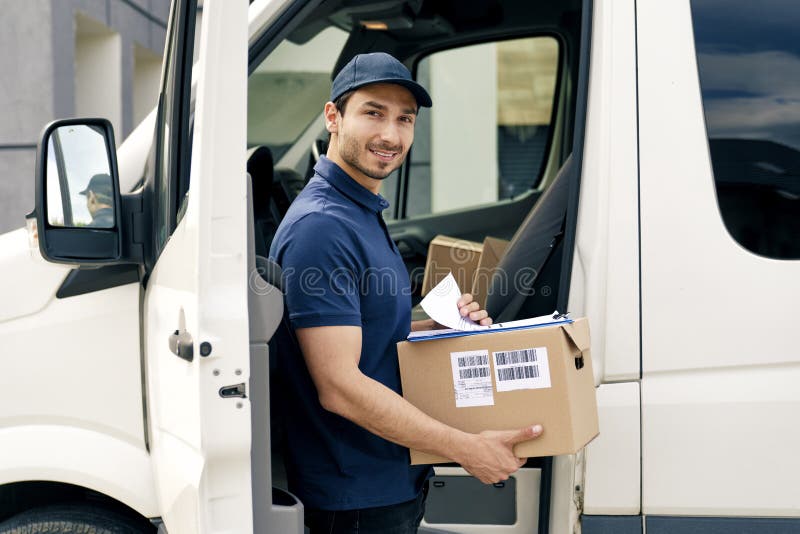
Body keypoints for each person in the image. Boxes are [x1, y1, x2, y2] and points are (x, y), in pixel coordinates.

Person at [269, 52, 543, 533]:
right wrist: (466, 448)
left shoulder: (360, 210)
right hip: (354, 492)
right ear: (333, 117)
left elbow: (363, 333)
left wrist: (431, 329)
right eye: (373, 112)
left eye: (405, 119)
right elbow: (339, 387)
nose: (391, 136)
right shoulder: (323, 228)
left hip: (387, 475)